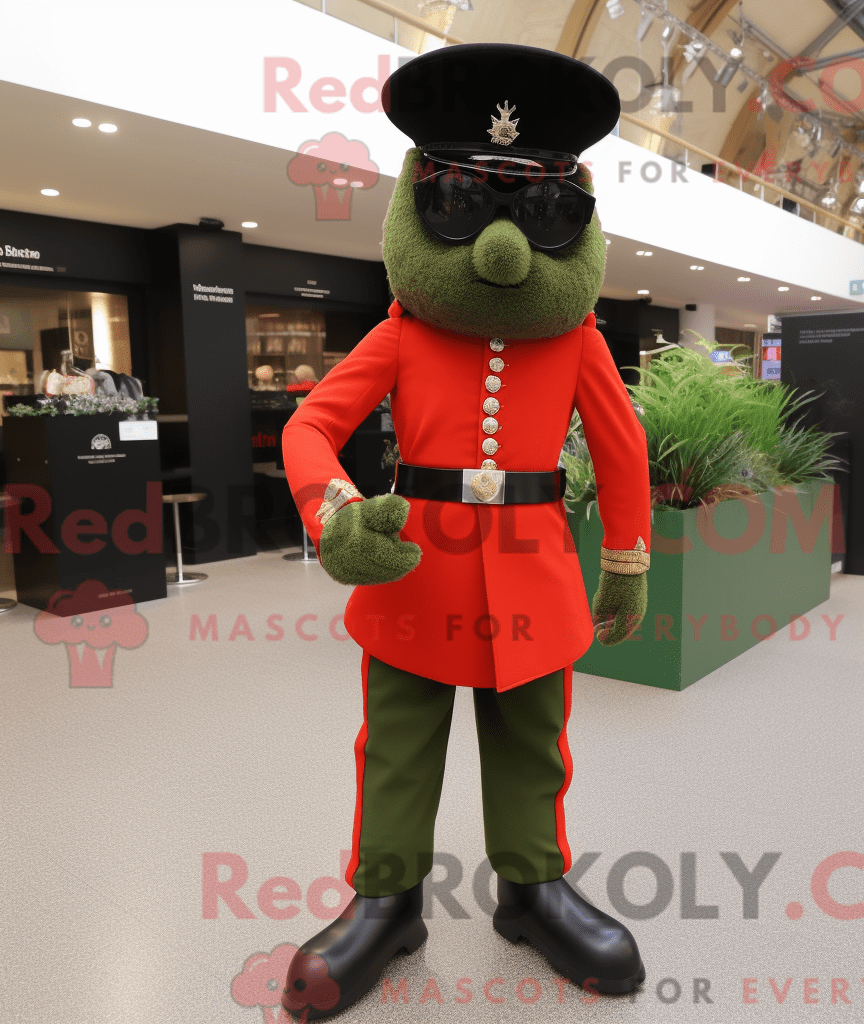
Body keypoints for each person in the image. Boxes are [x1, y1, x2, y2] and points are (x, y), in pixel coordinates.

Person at [279, 43, 651, 1020]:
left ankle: (532, 890)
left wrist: (626, 562)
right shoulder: (402, 331)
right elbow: (311, 424)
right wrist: (336, 508)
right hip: (413, 577)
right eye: (461, 205)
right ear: (421, 204)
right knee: (398, 745)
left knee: (535, 745)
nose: (501, 248)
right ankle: (386, 898)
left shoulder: (578, 342)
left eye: (539, 213)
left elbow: (620, 452)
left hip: (536, 577)